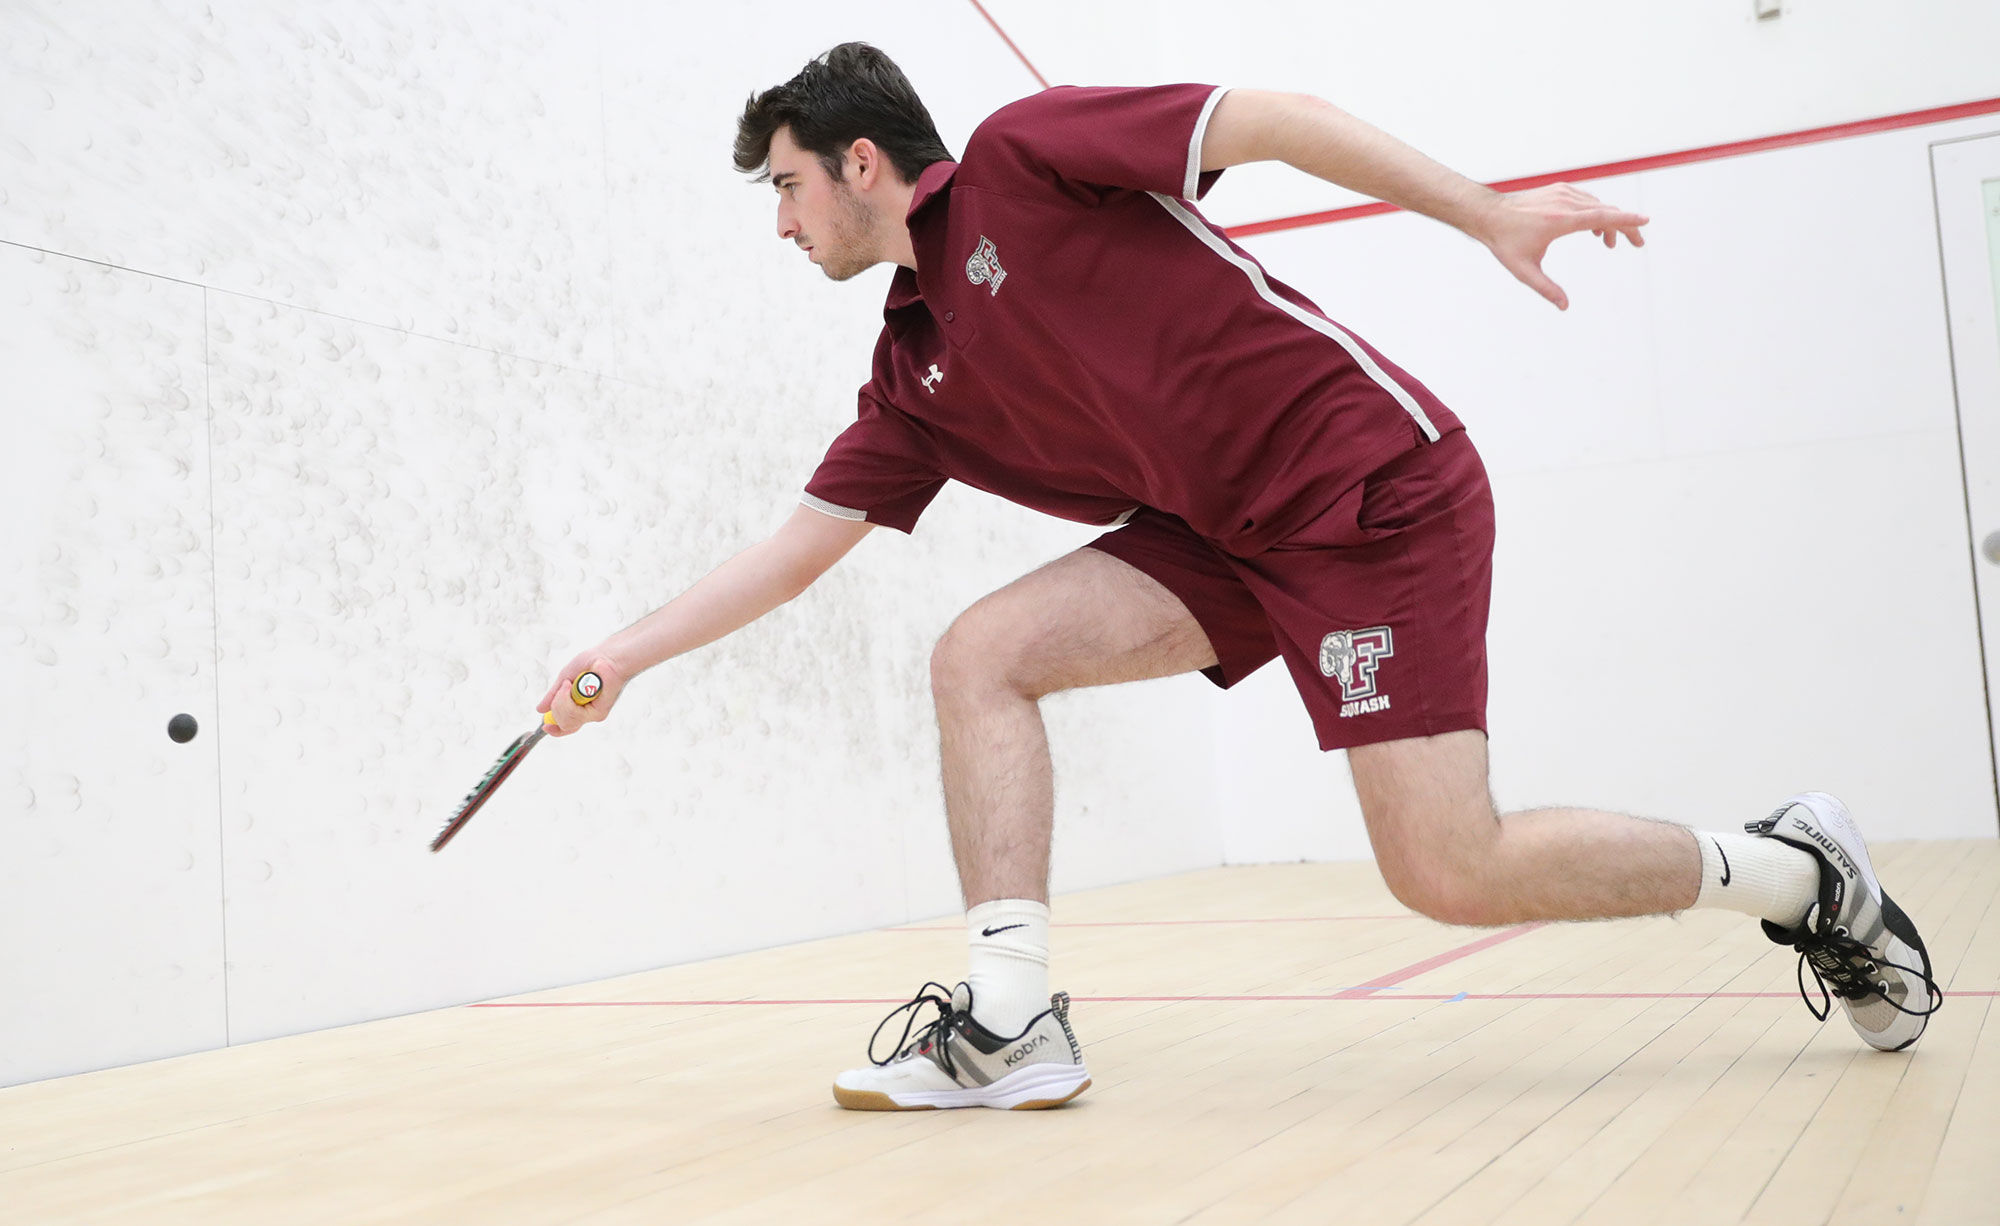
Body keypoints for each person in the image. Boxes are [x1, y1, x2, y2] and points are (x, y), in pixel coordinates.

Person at [537, 43, 1941, 1111]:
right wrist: (624, 653)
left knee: (1449, 869)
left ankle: (1794, 869)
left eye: (782, 186)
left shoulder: (1026, 158)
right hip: (1224, 539)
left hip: (1369, 490)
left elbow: (1256, 123)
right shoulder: (916, 373)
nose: (778, 225)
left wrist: (1481, 211)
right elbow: (799, 545)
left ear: (857, 162)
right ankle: (1015, 1020)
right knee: (979, 653)